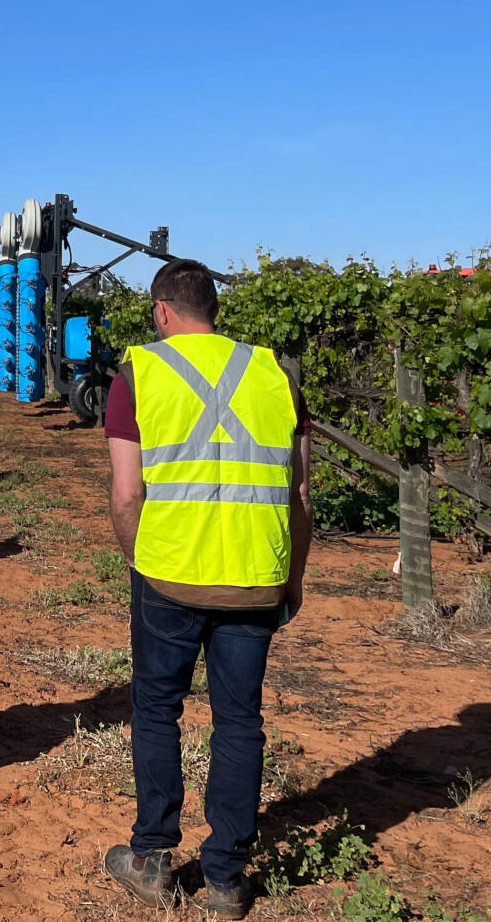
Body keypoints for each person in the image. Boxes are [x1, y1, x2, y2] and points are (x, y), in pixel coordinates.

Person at [101, 260, 312, 921]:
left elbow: (127, 493)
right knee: (239, 722)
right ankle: (225, 880)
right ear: (214, 309)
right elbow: (300, 493)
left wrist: (141, 562)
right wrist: (292, 577)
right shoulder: (276, 373)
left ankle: (153, 858)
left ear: (162, 311)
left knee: (157, 712)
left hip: (168, 575)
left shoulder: (139, 373)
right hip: (255, 578)